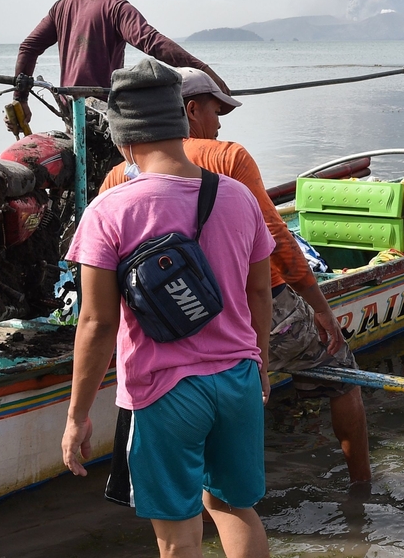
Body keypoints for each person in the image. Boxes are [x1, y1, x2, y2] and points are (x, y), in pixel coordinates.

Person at [99, 67, 372, 484]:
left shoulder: (118, 177)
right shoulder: (229, 156)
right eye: (214, 110)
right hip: (250, 321)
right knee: (341, 374)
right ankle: (362, 485)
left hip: (164, 328)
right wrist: (321, 309)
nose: (220, 122)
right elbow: (277, 238)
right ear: (189, 110)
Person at [63, 58, 274, 558]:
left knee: (178, 534)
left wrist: (77, 415)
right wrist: (261, 363)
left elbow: (96, 322)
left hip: (163, 392)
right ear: (182, 123)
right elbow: (260, 293)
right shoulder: (238, 197)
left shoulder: (110, 210)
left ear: (122, 137)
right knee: (233, 508)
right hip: (239, 378)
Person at [11, 0, 230, 126]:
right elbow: (154, 43)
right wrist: (203, 69)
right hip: (101, 115)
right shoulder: (116, 7)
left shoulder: (62, 5)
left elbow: (28, 47)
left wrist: (20, 99)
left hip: (70, 111)